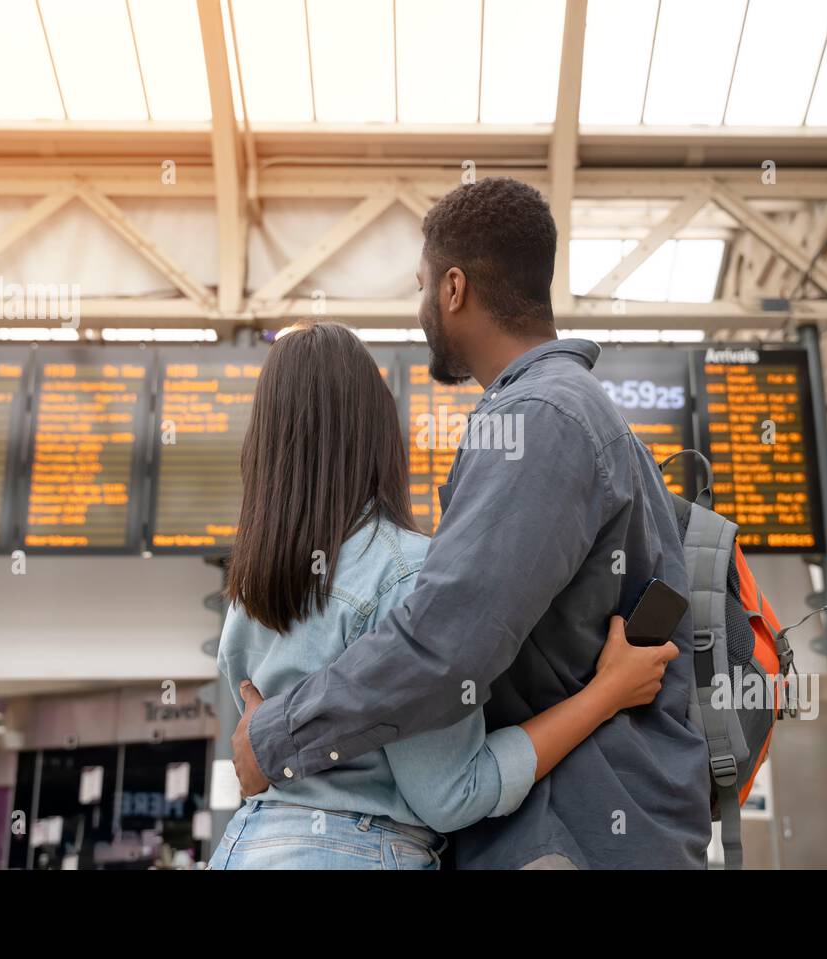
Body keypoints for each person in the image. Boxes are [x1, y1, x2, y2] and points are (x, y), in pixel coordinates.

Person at [233, 176, 712, 869]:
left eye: (423, 284)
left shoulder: (540, 419)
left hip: (573, 834)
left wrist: (275, 733)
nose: (422, 303)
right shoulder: (564, 414)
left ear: (453, 289)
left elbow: (444, 643)